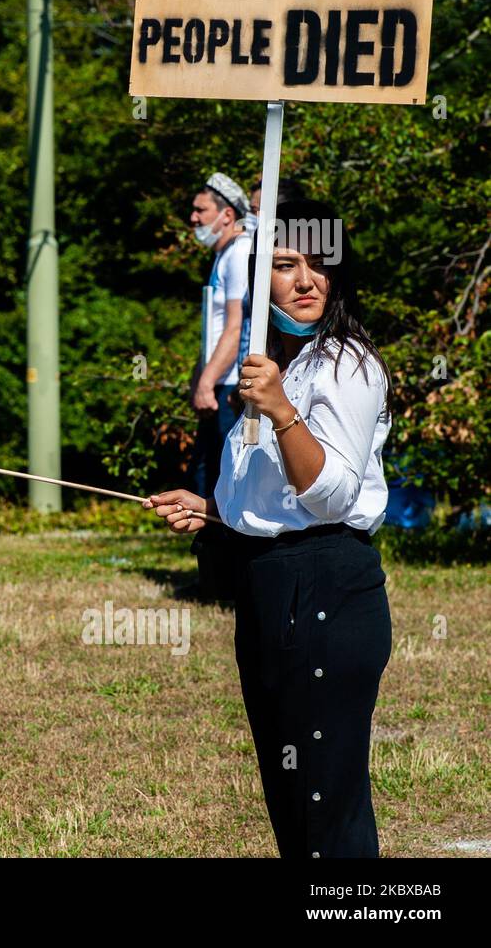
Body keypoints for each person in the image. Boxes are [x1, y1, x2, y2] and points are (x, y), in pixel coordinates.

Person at [145, 198, 392, 859]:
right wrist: (211, 511)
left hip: (326, 591)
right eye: (286, 265)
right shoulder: (264, 371)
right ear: (259, 281)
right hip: (268, 590)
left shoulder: (347, 364)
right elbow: (271, 501)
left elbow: (333, 495)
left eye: (321, 264)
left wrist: (283, 411)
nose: (306, 280)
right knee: (292, 805)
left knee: (325, 809)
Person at [187, 171, 251, 497]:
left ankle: (225, 546)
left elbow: (234, 326)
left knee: (220, 479)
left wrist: (206, 382)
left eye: (201, 210)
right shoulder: (224, 255)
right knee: (206, 474)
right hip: (218, 381)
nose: (193, 217)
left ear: (227, 215)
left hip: (228, 385)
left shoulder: (239, 254)